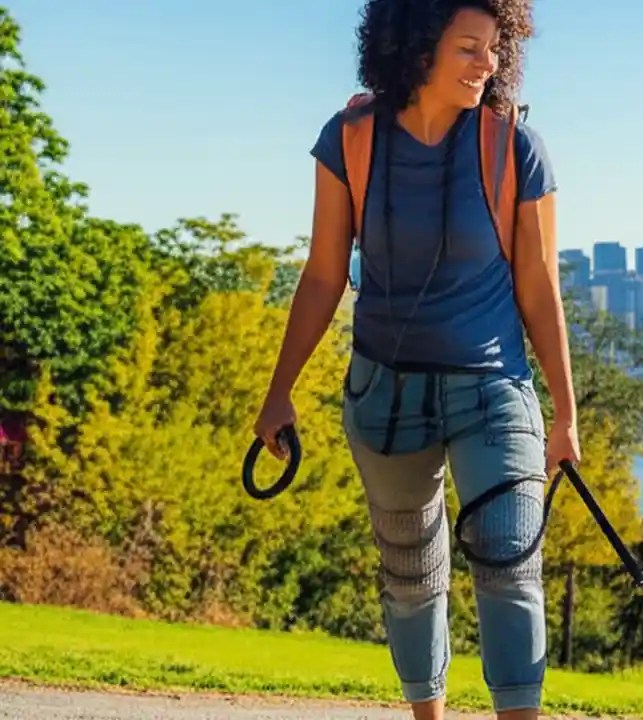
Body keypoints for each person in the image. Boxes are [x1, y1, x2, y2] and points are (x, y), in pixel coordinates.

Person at [252, 0, 578, 718]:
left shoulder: (513, 149)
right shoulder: (351, 140)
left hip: (492, 389)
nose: (487, 65)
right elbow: (322, 274)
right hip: (383, 393)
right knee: (409, 574)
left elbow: (539, 286)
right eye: (469, 48)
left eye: (495, 49)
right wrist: (278, 392)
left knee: (508, 558)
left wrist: (565, 415)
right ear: (418, 47)